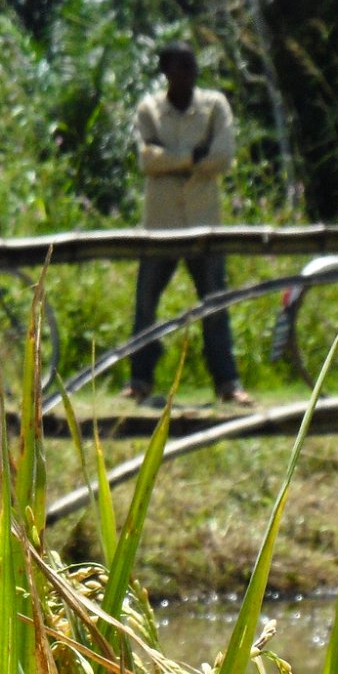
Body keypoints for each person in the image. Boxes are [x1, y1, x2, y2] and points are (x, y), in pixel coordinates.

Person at [127, 42, 254, 407]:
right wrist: (191, 157)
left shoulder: (215, 106)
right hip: (161, 222)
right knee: (146, 303)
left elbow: (223, 155)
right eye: (180, 67)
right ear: (165, 71)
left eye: (191, 66)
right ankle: (140, 379)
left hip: (204, 222)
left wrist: (173, 159)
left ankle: (227, 382)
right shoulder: (149, 109)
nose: (188, 73)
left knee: (215, 302)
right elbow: (147, 160)